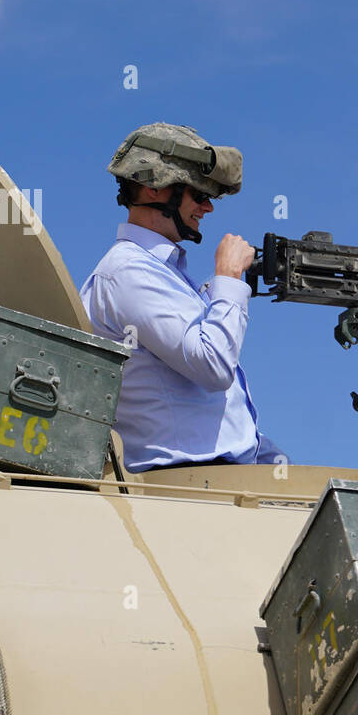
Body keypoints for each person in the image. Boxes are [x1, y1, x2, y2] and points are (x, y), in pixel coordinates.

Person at [79, 122, 288, 472]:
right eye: (199, 195)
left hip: (222, 473)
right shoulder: (128, 272)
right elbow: (213, 364)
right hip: (187, 483)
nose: (207, 208)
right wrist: (228, 279)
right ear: (153, 189)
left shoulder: (160, 273)